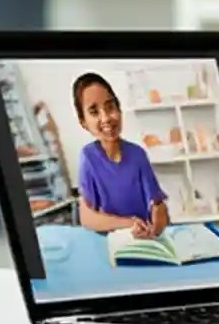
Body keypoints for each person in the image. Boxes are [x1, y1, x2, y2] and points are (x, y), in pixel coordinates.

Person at [73, 72, 170, 239]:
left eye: (110, 107)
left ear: (119, 109)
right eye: (94, 112)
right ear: (83, 122)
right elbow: (87, 218)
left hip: (145, 241)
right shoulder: (88, 157)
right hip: (114, 242)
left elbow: (158, 206)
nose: (106, 118)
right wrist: (129, 223)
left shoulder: (138, 155)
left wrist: (156, 224)